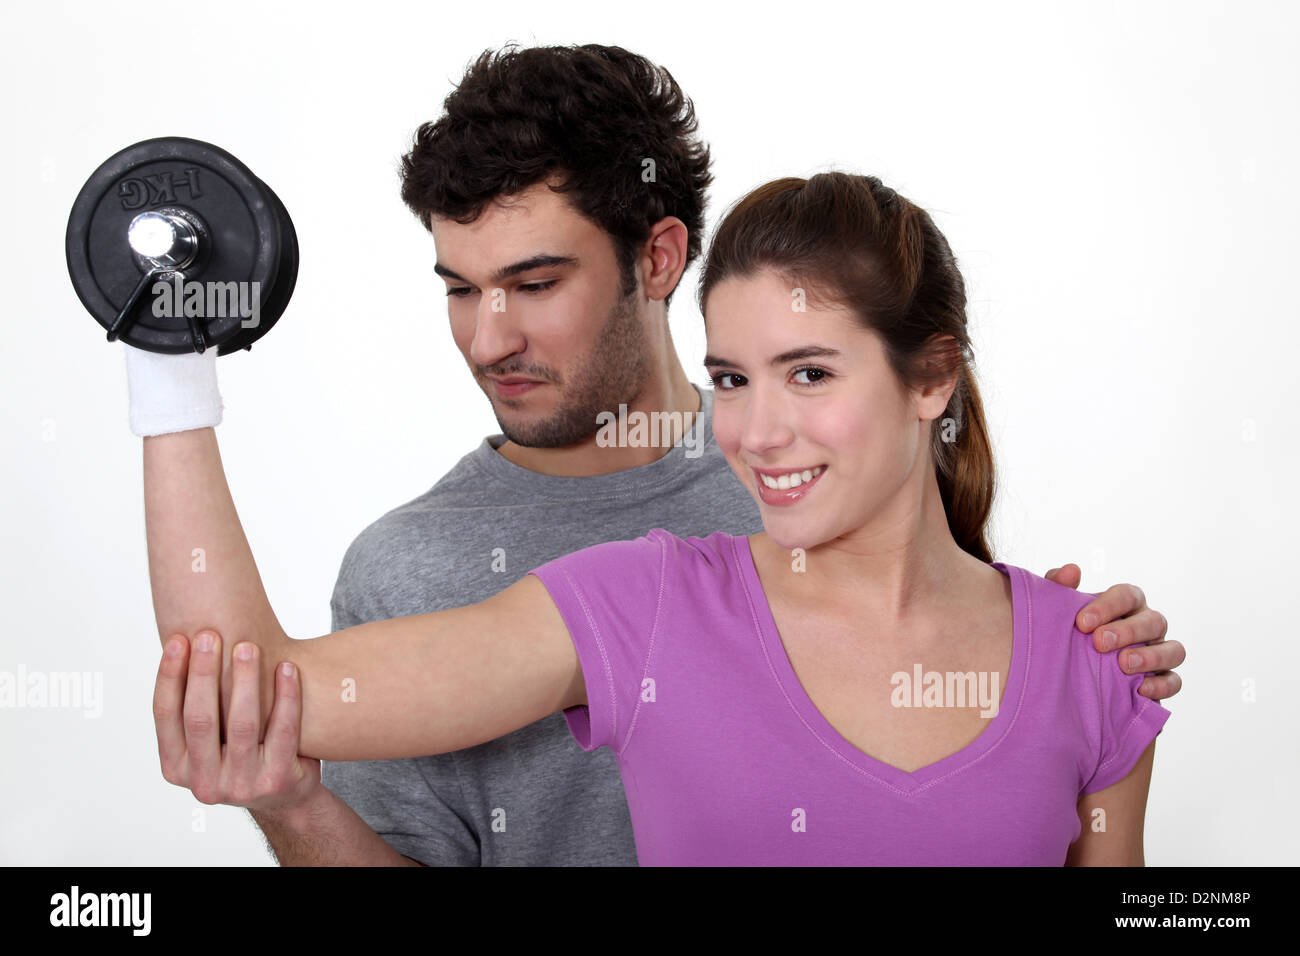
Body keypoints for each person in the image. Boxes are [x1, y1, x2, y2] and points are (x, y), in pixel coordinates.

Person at [139, 162, 1171, 864]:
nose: (759, 430)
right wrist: (165, 364)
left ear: (930, 377)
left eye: (808, 372)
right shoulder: (645, 601)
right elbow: (248, 682)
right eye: (730, 377)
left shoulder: (1092, 659)